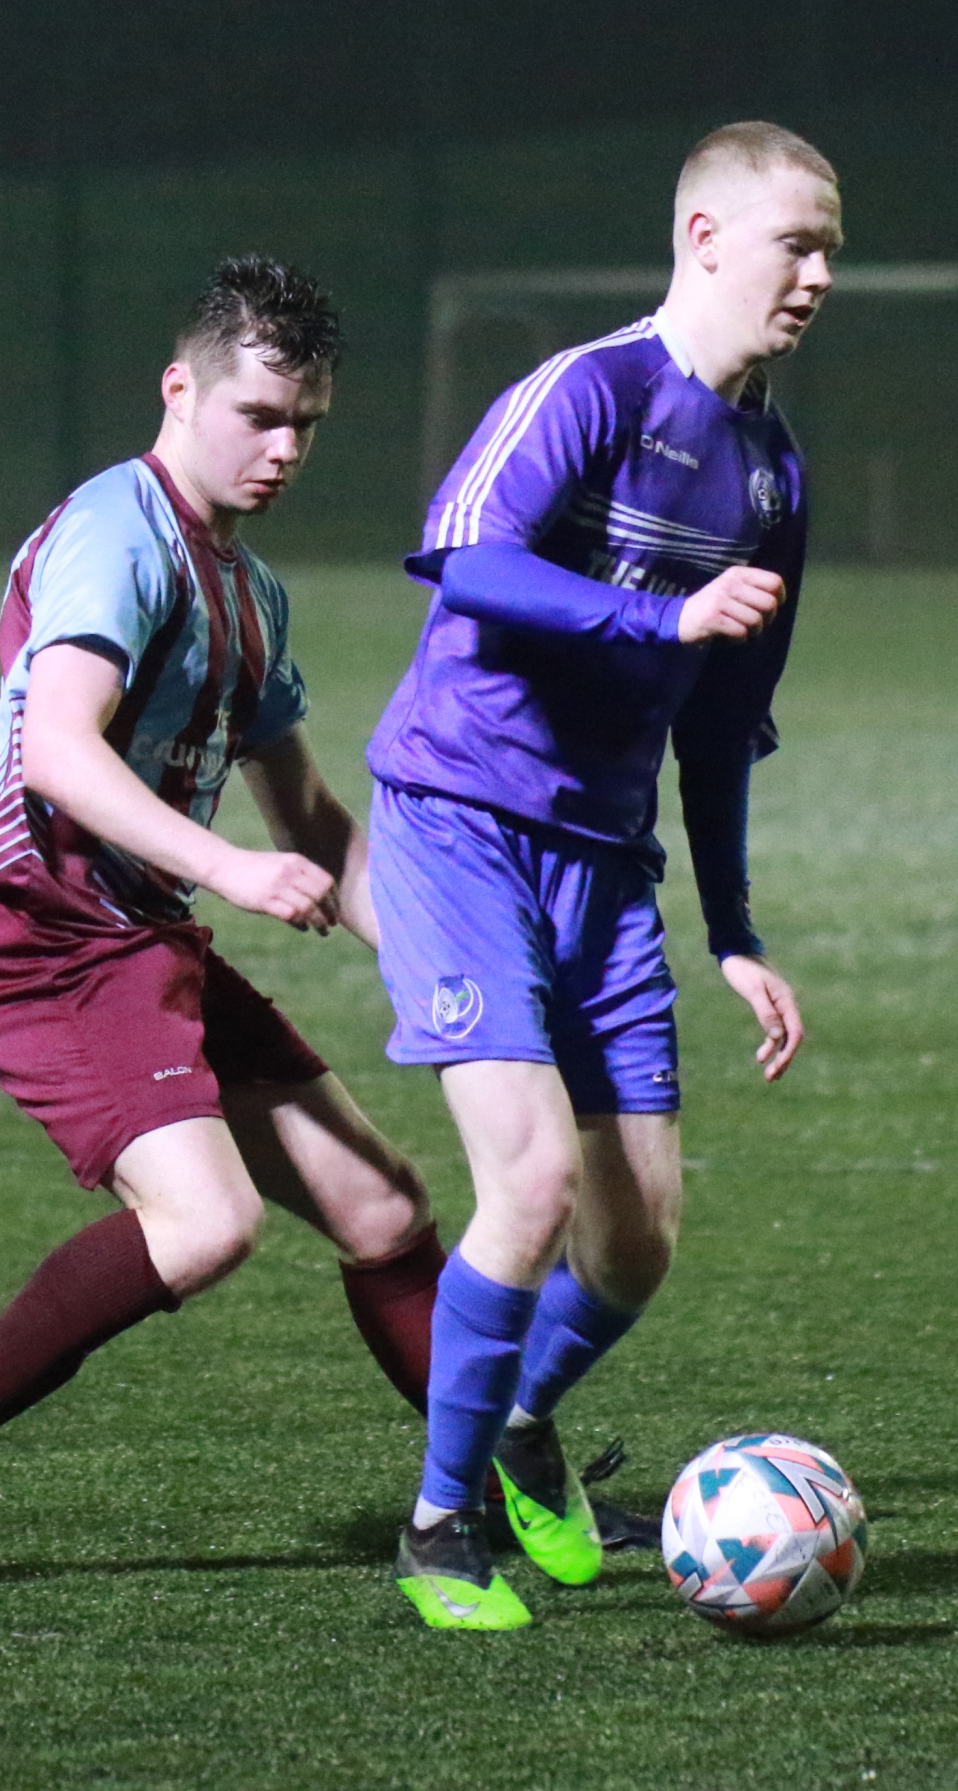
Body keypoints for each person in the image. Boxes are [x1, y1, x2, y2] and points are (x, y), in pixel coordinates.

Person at [0, 256, 449, 1577]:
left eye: (306, 425)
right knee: (208, 1223)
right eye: (259, 417)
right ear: (180, 390)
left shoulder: (248, 587)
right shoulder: (117, 535)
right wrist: (231, 872)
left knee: (383, 1212)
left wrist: (442, 964)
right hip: (42, 936)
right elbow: (58, 752)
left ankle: (522, 1490)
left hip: (142, 938)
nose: (285, 449)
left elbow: (312, 820)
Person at [367, 121, 843, 1629]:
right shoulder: (591, 389)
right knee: (527, 1176)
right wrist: (659, 618)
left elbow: (721, 728)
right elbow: (464, 551)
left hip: (605, 864)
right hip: (457, 817)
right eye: (797, 244)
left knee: (634, 1236)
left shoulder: (771, 473)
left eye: (833, 250)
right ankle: (442, 1530)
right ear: (704, 237)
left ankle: (515, 1423)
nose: (820, 276)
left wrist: (738, 932)